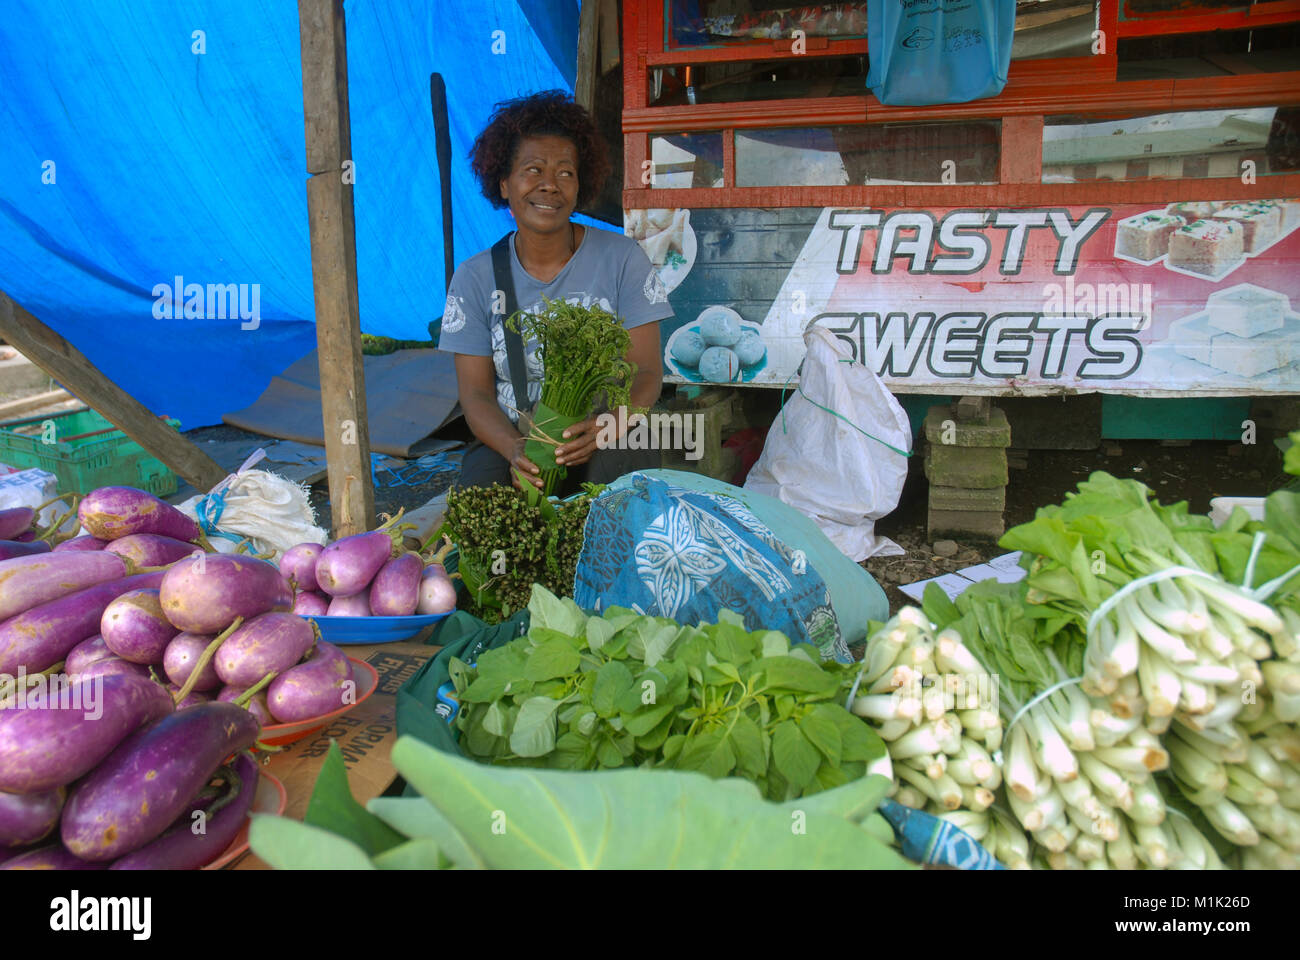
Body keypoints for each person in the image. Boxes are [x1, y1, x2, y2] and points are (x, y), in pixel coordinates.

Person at [440, 90, 673, 493]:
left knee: (612, 502)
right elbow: (476, 394)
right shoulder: (475, 277)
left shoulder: (622, 260)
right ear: (503, 184)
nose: (550, 185)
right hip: (511, 439)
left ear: (580, 186)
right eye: (533, 170)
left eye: (565, 173)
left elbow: (648, 372)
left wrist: (607, 427)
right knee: (480, 508)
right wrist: (516, 449)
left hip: (608, 439)